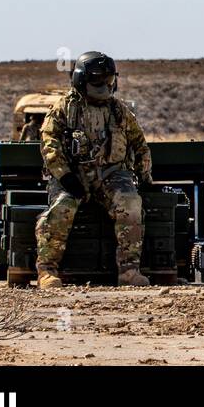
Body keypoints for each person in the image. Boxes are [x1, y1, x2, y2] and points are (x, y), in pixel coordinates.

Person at [35, 51, 152, 288]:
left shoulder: (118, 111)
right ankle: (46, 271)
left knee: (130, 203)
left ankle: (129, 271)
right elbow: (49, 144)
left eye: (108, 80)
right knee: (61, 209)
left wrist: (144, 174)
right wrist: (65, 176)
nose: (104, 85)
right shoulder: (63, 109)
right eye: (98, 80)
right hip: (73, 176)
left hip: (110, 175)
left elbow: (139, 143)